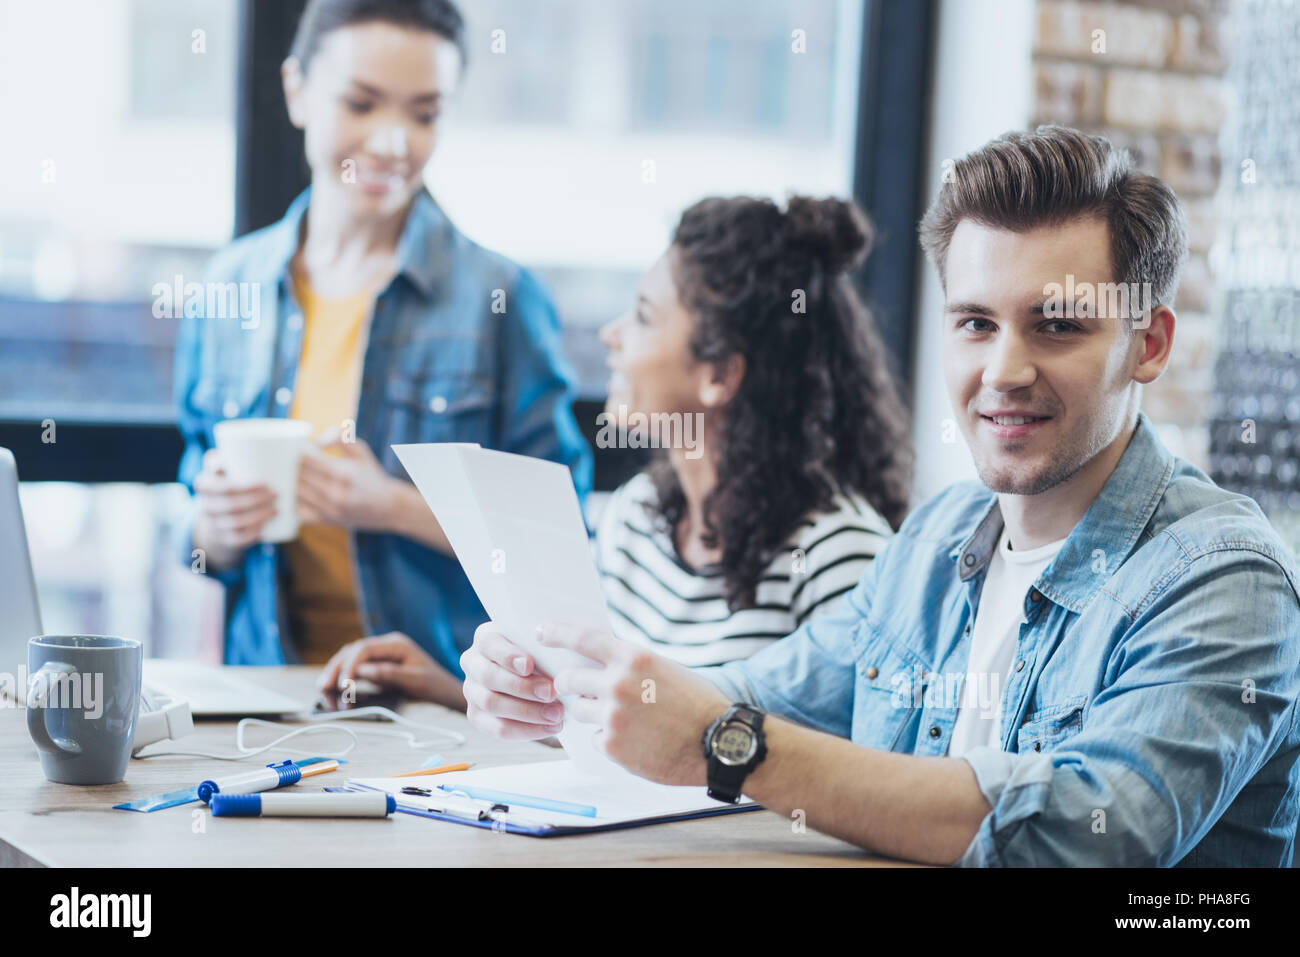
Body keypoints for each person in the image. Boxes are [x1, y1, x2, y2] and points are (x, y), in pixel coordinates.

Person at [459, 126, 1300, 867]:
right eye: (975, 323)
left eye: (1057, 324)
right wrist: (570, 691)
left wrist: (728, 748)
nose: (1003, 371)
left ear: (1147, 343)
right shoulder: (933, 544)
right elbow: (751, 692)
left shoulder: (1226, 582)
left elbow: (1089, 833)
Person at [319, 194, 912, 698]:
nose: (611, 335)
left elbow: (840, 775)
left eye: (645, 317)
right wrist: (440, 687)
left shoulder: (840, 555)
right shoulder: (636, 519)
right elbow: (610, 733)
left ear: (720, 376)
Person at [174, 0, 591, 709]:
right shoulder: (228, 288)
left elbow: (559, 540)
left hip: (436, 715)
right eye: (361, 103)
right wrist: (215, 527)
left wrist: (391, 506)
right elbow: (202, 547)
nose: (393, 142)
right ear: (297, 90)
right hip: (266, 706)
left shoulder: (499, 298)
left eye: (424, 115)